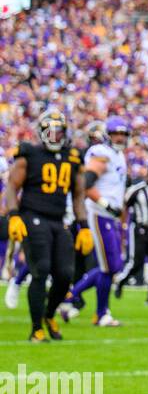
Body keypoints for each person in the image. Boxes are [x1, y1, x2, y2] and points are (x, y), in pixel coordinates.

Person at [4, 108, 93, 342]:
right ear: (42, 132)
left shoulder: (72, 157)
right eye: (50, 132)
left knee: (65, 274)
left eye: (58, 132)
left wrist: (84, 226)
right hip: (33, 216)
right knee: (40, 270)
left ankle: (49, 314)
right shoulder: (29, 154)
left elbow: (78, 195)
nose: (54, 136)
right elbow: (12, 186)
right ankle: (36, 329)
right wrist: (14, 214)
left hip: (58, 220)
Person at [63, 115, 130, 327]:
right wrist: (104, 203)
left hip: (110, 216)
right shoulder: (102, 153)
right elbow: (86, 182)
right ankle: (100, 313)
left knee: (111, 266)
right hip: (99, 213)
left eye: (123, 133)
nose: (119, 137)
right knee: (109, 266)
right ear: (108, 135)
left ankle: (72, 296)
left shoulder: (118, 155)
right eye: (116, 133)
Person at [118, 164, 148, 305]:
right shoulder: (137, 190)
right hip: (141, 230)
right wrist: (123, 226)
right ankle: (121, 282)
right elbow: (125, 206)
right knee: (137, 263)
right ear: (147, 175)